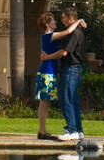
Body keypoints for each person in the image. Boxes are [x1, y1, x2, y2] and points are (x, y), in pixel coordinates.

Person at [36, 11, 85, 140]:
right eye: (53, 20)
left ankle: (44, 131)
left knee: (48, 102)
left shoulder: (52, 36)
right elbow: (68, 32)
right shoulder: (49, 36)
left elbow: (68, 34)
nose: (56, 21)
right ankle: (42, 131)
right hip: (47, 72)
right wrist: (79, 21)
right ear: (47, 24)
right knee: (45, 102)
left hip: (52, 71)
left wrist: (77, 21)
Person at [55, 6, 87, 142]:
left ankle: (72, 130)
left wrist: (48, 56)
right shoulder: (76, 31)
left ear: (71, 18)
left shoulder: (74, 34)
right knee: (73, 101)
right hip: (74, 69)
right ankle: (78, 130)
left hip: (70, 69)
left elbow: (65, 52)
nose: (62, 20)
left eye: (63, 17)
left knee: (66, 99)